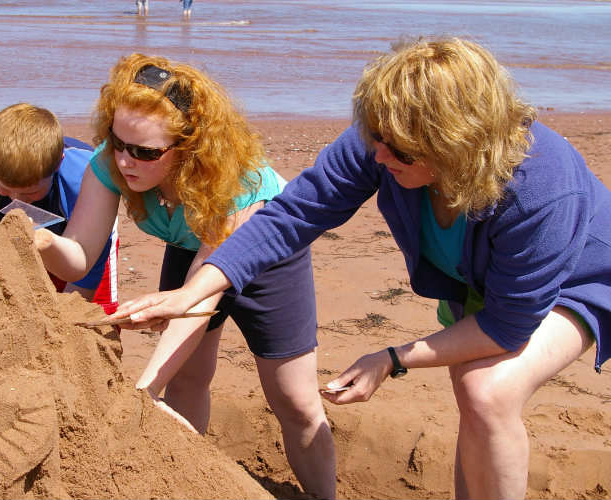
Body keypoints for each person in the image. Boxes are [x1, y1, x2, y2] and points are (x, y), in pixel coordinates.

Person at [116, 37, 611, 499]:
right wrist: (194, 292)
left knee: (487, 391)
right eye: (375, 136)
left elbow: (507, 326)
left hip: (580, 278)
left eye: (396, 150)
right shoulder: (389, 137)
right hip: (482, 277)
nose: (378, 155)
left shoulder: (542, 190)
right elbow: (294, 213)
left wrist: (390, 358)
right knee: (472, 392)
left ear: (455, 145)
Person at [34, 53, 337, 499]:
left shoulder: (231, 180)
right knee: (187, 380)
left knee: (294, 401)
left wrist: (143, 388)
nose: (126, 160)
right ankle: (186, 483)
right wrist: (43, 242)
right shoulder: (112, 163)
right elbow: (78, 257)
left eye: (145, 152)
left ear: (189, 146)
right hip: (190, 249)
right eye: (118, 142)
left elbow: (200, 296)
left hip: (269, 259)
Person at [0, 103, 119, 314]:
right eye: (6, 190)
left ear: (58, 165)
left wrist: (70, 315)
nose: (18, 201)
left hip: (82, 237)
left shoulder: (87, 178)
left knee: (91, 315)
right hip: (12, 240)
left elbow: (89, 267)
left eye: (30, 193)